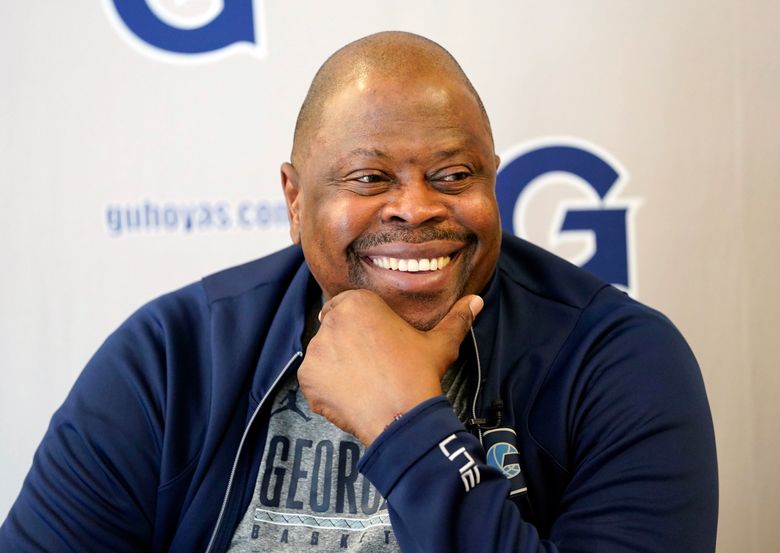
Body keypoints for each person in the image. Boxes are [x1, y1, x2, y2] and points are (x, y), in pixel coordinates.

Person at [0, 31, 718, 552]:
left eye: (453, 176)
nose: (416, 208)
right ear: (295, 199)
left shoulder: (616, 360)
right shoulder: (171, 359)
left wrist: (407, 422)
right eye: (370, 178)